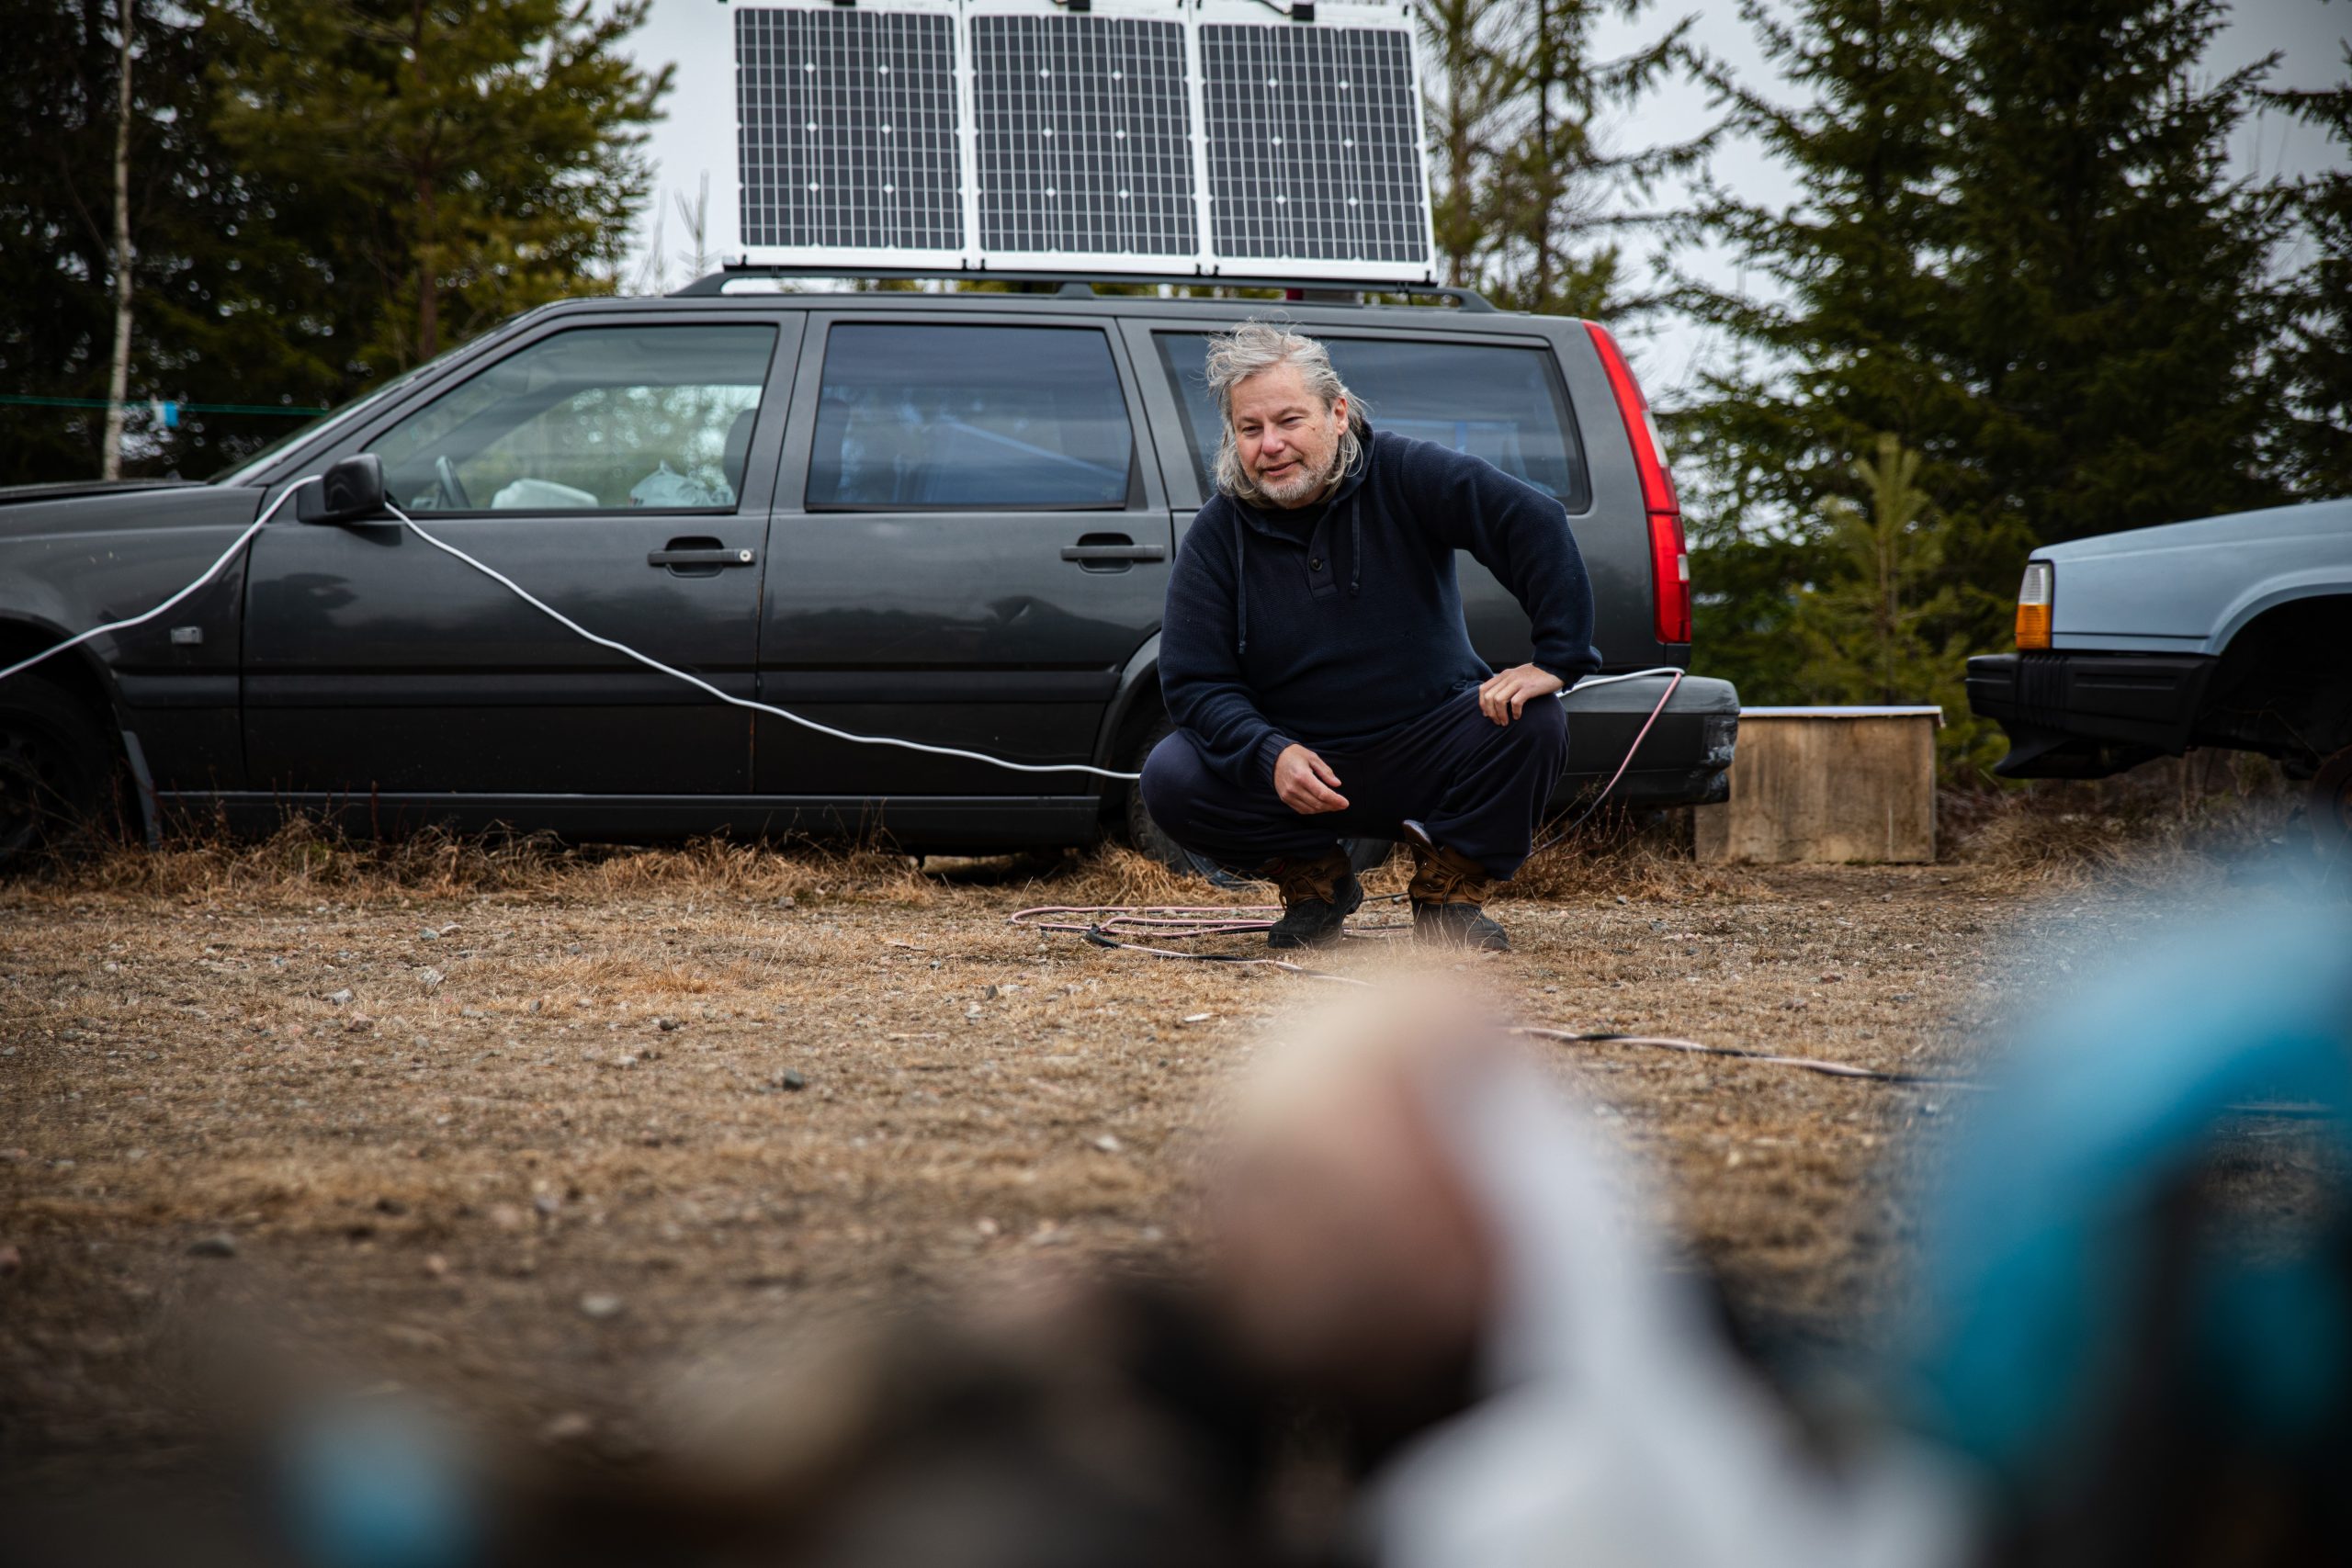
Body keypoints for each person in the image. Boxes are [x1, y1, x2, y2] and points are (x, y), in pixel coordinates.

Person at [1142, 321, 1599, 952]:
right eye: (1251, 429)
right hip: (1301, 772)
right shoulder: (1218, 533)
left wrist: (1558, 656)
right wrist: (1269, 752)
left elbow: (1529, 519)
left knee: (1534, 720)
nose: (1270, 445)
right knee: (1171, 772)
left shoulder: (1408, 472)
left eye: (1288, 421)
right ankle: (1315, 883)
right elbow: (1195, 681)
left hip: (1429, 746)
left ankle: (1448, 895)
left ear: (1337, 412)